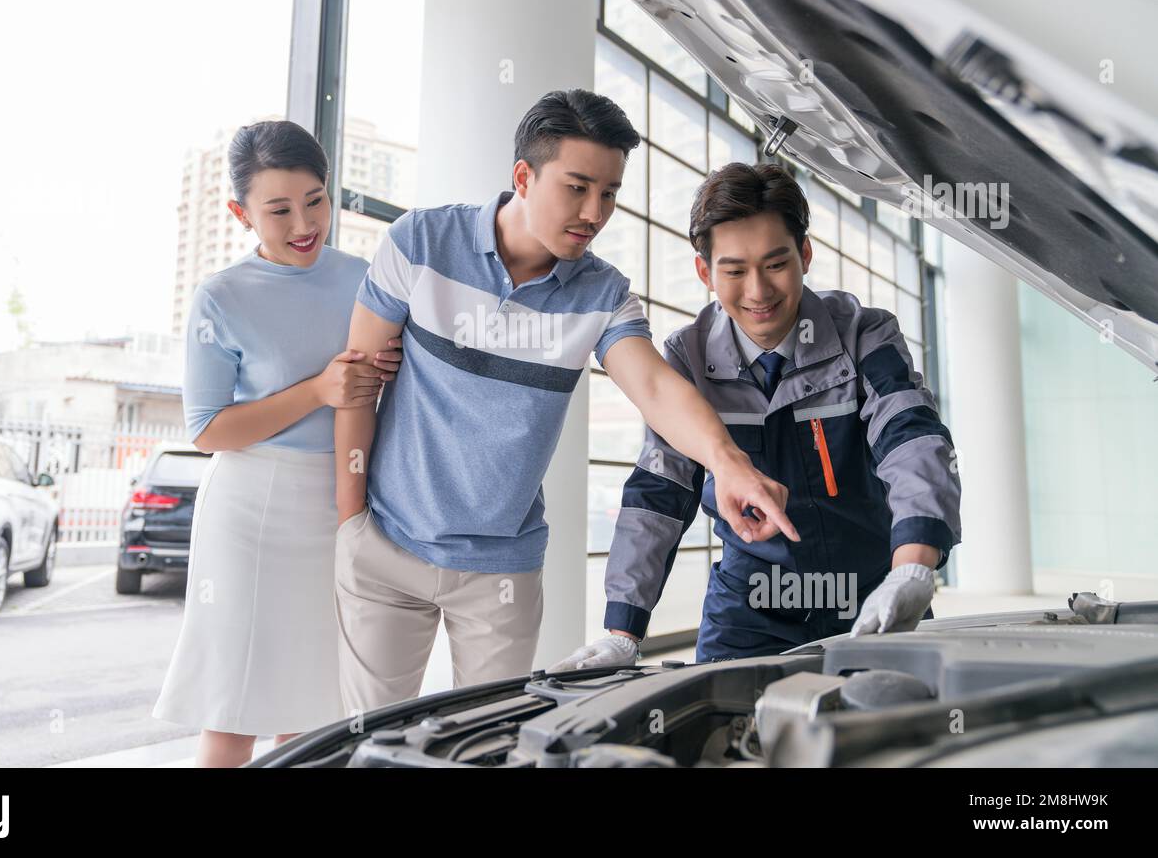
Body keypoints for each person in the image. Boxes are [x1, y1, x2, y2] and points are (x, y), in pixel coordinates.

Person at [332, 90, 801, 717]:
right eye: (577, 187)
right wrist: (350, 520)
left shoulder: (602, 292)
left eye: (608, 193)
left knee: (490, 747)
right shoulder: (420, 241)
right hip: (386, 543)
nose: (594, 212)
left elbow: (656, 388)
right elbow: (357, 383)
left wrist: (730, 465)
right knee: (368, 741)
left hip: (501, 569)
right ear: (524, 177)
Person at [551, 162, 962, 670]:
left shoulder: (864, 334)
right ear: (705, 273)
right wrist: (622, 630)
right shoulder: (686, 357)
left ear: (805, 255)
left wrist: (913, 569)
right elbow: (660, 490)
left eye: (775, 264)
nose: (758, 291)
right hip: (749, 608)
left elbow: (912, 437)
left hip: (872, 590)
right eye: (734, 270)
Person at [151, 120, 403, 766]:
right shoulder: (222, 296)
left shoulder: (367, 276)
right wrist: (321, 388)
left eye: (315, 200)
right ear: (241, 212)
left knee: (318, 706)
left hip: (344, 498)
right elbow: (207, 428)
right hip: (251, 511)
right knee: (235, 701)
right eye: (279, 209)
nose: (303, 223)